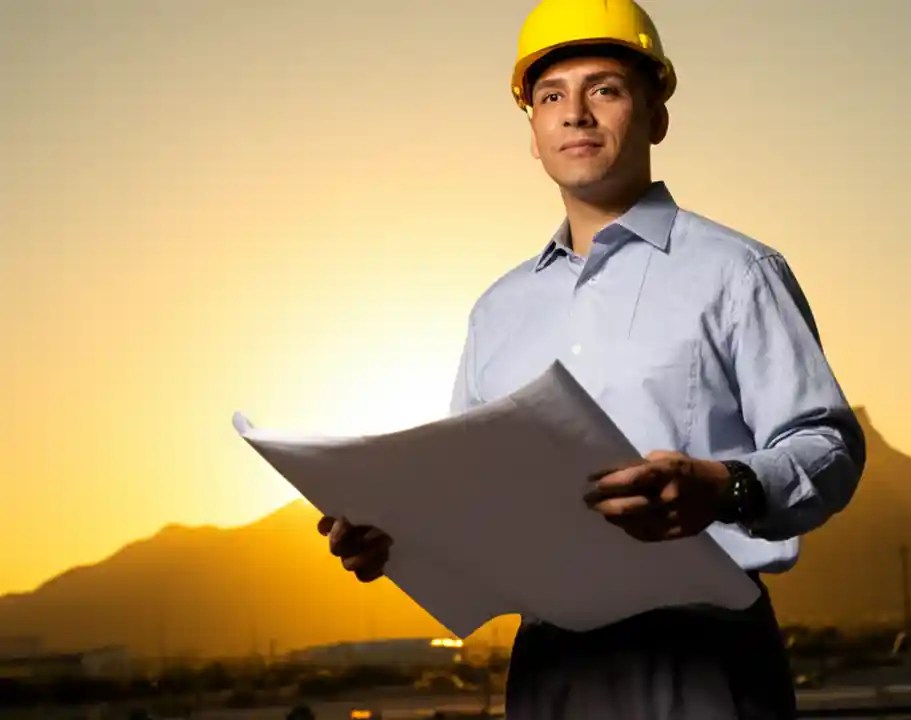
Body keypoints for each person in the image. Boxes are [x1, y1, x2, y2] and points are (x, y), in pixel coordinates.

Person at [316, 0, 866, 717]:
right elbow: (468, 492)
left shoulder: (738, 271)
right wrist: (396, 534)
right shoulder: (497, 310)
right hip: (550, 665)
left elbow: (828, 446)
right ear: (534, 133)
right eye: (551, 96)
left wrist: (723, 488)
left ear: (656, 116)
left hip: (701, 653)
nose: (575, 113)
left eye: (603, 88)